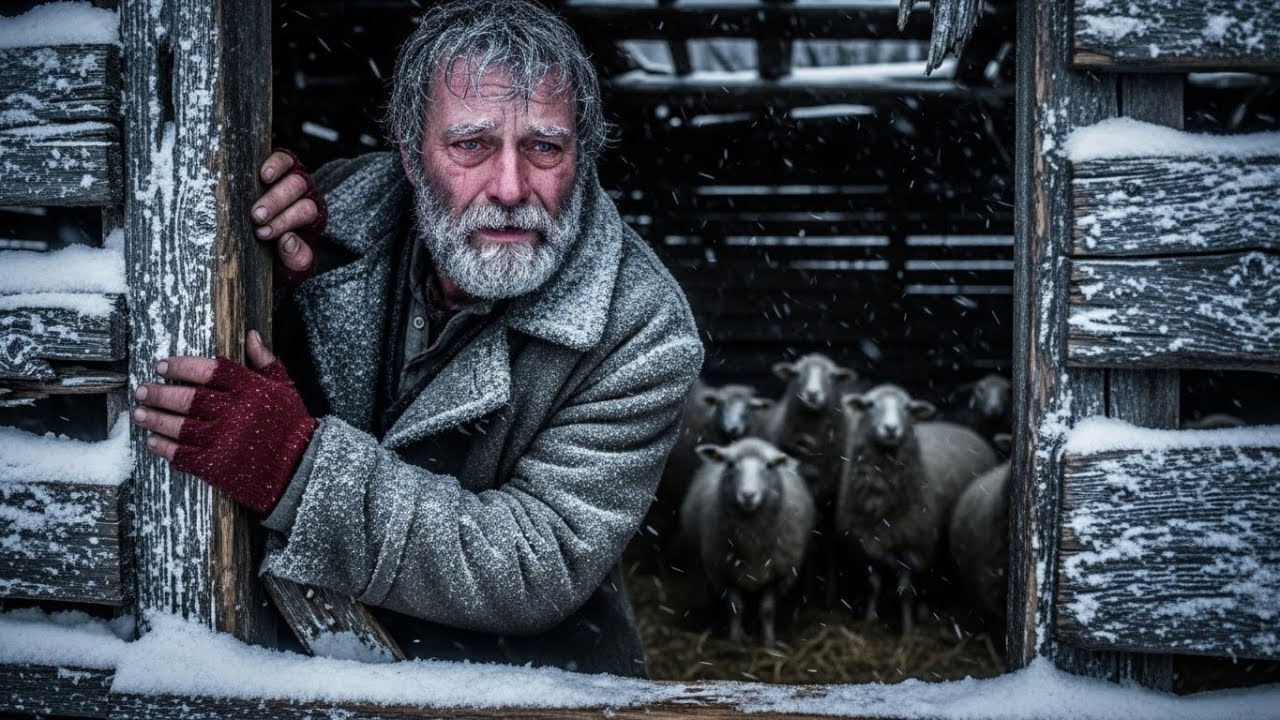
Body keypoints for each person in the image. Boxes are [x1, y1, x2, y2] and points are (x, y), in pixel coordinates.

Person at [129, 0, 702, 677]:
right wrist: (256, 281)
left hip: (517, 686)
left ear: (582, 153)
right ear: (408, 151)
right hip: (302, 662)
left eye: (545, 146)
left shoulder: (644, 328)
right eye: (471, 145)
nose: (511, 187)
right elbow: (239, 366)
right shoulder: (329, 216)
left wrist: (300, 469)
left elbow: (535, 561)